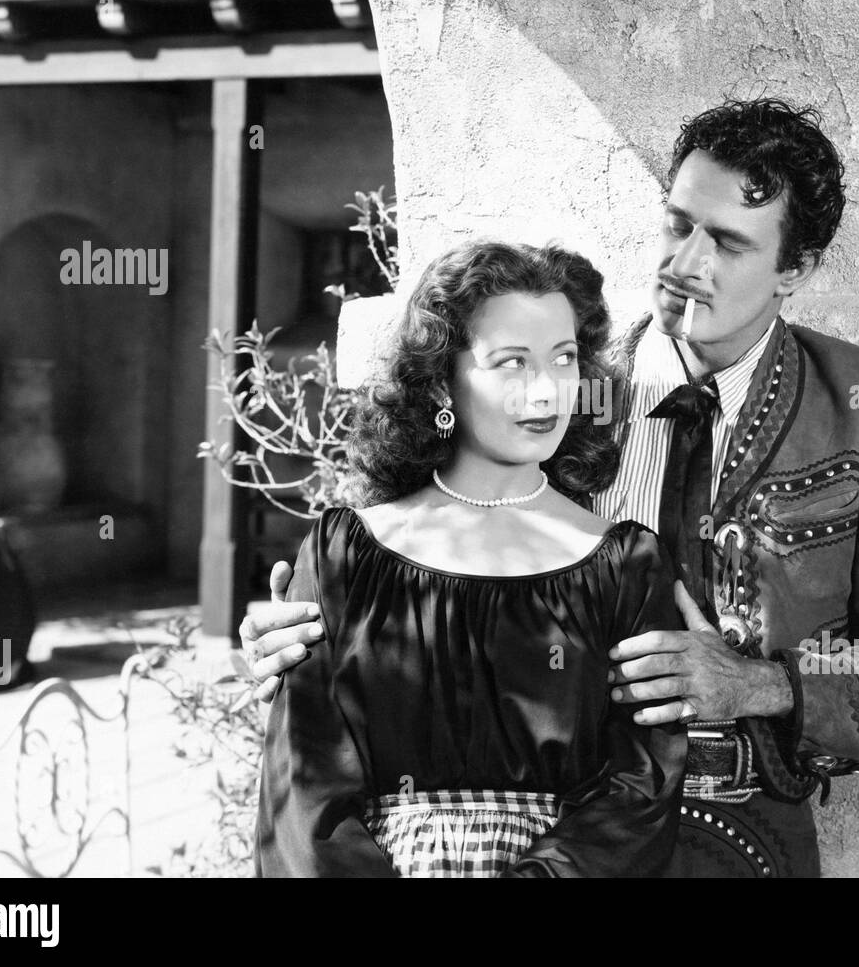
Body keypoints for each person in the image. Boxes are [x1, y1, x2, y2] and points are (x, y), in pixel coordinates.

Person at [245, 98, 859, 877]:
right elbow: (440, 598)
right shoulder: (563, 393)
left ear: (794, 269)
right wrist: (318, 634)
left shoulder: (858, 403)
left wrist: (766, 683)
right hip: (559, 840)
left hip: (741, 841)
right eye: (678, 224)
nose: (685, 263)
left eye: (727, 242)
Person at [254, 240, 686, 877]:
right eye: (511, 363)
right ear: (443, 381)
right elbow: (302, 790)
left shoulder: (624, 563)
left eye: (563, 358)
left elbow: (641, 789)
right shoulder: (345, 554)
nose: (545, 392)